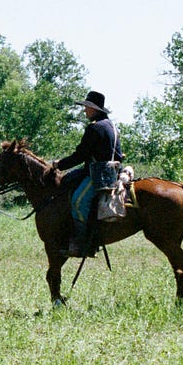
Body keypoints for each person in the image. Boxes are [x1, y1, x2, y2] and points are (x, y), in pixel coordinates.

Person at [53, 90, 123, 258]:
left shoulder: (94, 128)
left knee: (79, 202)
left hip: (99, 174)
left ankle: (84, 243)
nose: (85, 110)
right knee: (68, 181)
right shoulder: (112, 127)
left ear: (95, 109)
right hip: (110, 170)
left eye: (87, 107)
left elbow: (80, 155)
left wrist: (59, 164)